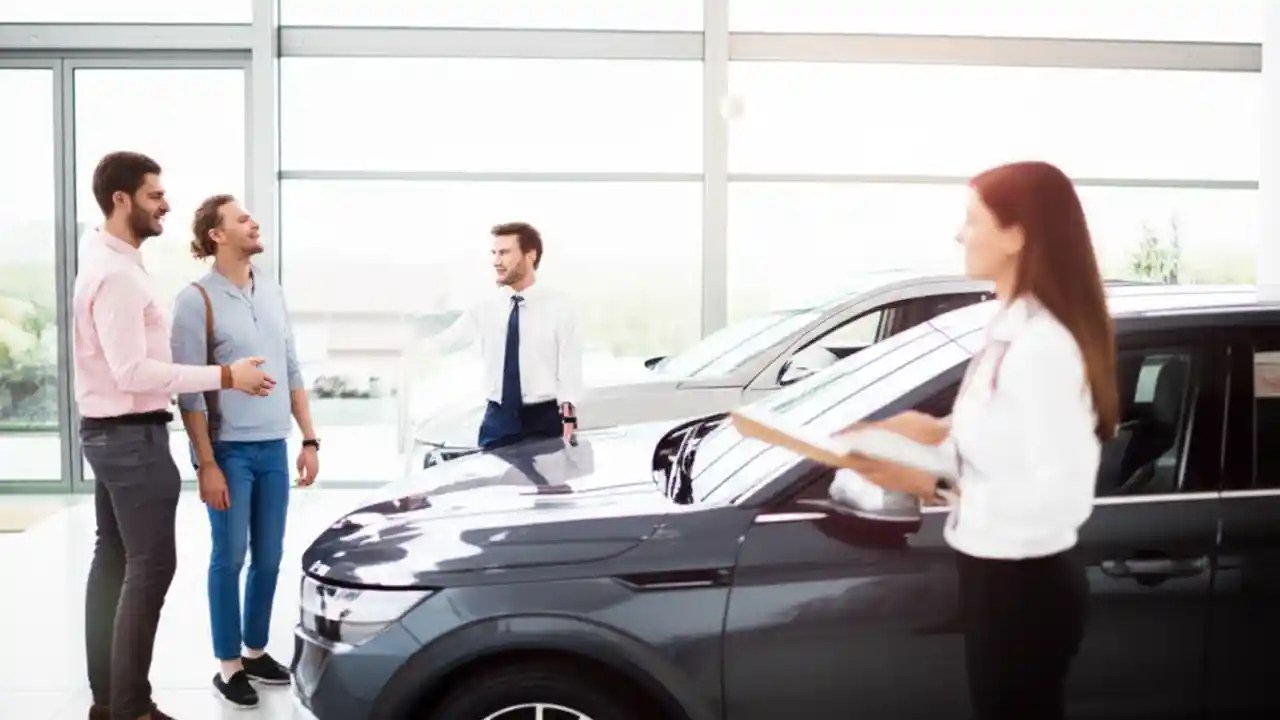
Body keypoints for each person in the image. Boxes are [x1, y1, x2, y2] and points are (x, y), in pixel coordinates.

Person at [841, 160, 1119, 720]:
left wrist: (931, 479)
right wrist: (921, 437)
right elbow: (996, 452)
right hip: (995, 578)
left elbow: (1058, 498)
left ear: (1016, 236)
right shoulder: (1006, 327)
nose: (959, 235)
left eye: (972, 220)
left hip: (1025, 586)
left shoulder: (1042, 345)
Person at [74, 152, 275, 720]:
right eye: (155, 195)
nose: (165, 205)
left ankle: (108, 701)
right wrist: (225, 375)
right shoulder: (115, 273)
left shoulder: (112, 260)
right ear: (122, 199)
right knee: (150, 566)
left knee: (112, 562)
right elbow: (131, 372)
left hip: (114, 434)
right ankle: (132, 707)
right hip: (130, 439)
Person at [170, 194, 319, 709]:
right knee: (228, 557)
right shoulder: (195, 299)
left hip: (274, 447)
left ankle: (256, 652)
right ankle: (228, 664)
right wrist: (206, 463)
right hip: (228, 451)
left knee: (271, 557)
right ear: (216, 235)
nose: (254, 222)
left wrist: (310, 437)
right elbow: (188, 392)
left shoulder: (272, 289)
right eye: (241, 218)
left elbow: (292, 366)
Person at [436, 222, 584, 450]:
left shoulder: (559, 306)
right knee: (495, 485)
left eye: (504, 252)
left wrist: (569, 419)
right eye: (494, 253)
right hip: (498, 419)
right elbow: (448, 342)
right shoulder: (484, 306)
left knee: (549, 485)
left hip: (544, 418)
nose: (496, 261)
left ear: (530, 256)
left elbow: (569, 367)